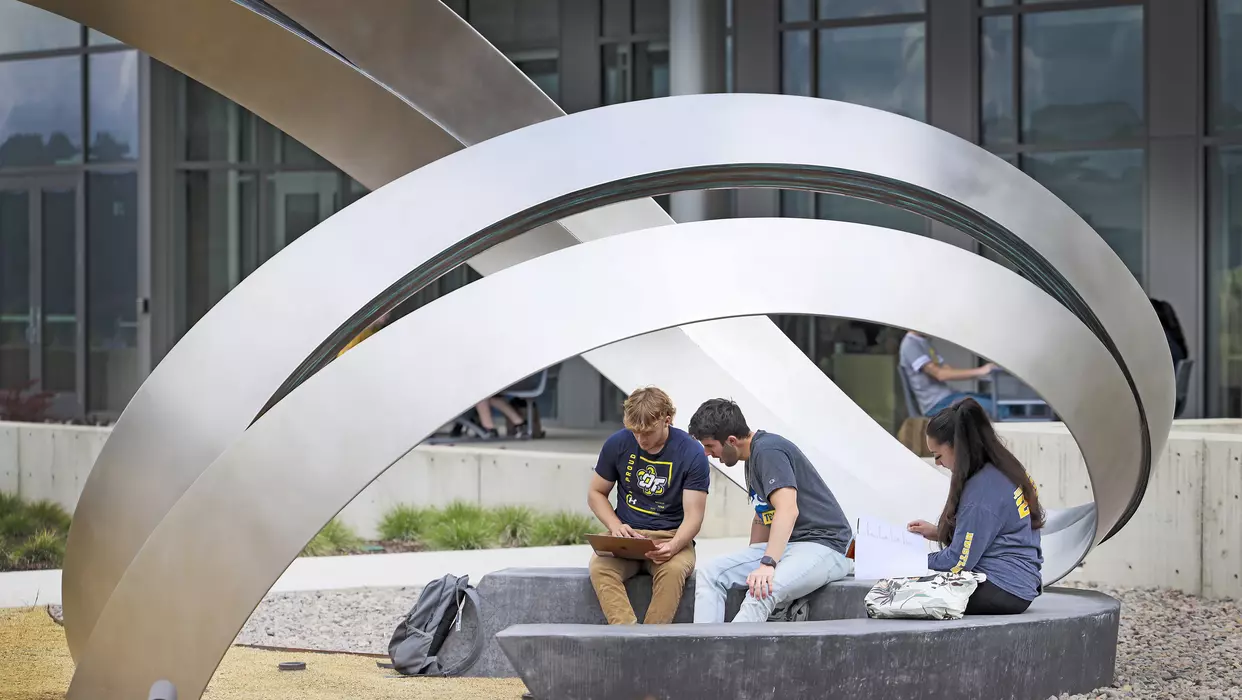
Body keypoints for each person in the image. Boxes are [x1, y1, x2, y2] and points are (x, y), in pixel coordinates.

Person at [687, 398, 853, 624]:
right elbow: (764, 514)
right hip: (789, 547)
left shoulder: (768, 451)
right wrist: (752, 558)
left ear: (731, 441)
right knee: (710, 573)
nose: (707, 453)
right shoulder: (753, 456)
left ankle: (726, 656)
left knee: (760, 593)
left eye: (710, 446)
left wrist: (766, 564)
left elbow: (787, 510)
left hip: (824, 545)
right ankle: (705, 650)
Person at [906, 398, 1044, 615]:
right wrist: (940, 532)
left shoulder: (981, 492)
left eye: (938, 455)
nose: (938, 463)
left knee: (902, 590)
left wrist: (905, 561)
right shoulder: (1004, 469)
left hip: (1001, 588)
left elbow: (957, 562)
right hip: (1018, 584)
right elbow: (991, 532)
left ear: (958, 447)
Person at [586, 386, 711, 625]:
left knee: (673, 572)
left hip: (671, 536)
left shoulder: (692, 453)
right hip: (627, 536)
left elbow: (694, 516)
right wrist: (615, 525)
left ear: (667, 420)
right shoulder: (617, 443)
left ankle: (652, 640)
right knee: (600, 567)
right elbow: (595, 493)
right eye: (634, 432)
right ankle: (628, 636)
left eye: (648, 432)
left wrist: (674, 545)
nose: (641, 439)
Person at [899, 331, 998, 417]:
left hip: (948, 396)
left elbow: (946, 369)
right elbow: (940, 374)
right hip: (936, 404)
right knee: (998, 408)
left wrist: (982, 374)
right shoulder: (910, 345)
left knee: (992, 398)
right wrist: (981, 371)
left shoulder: (924, 341)